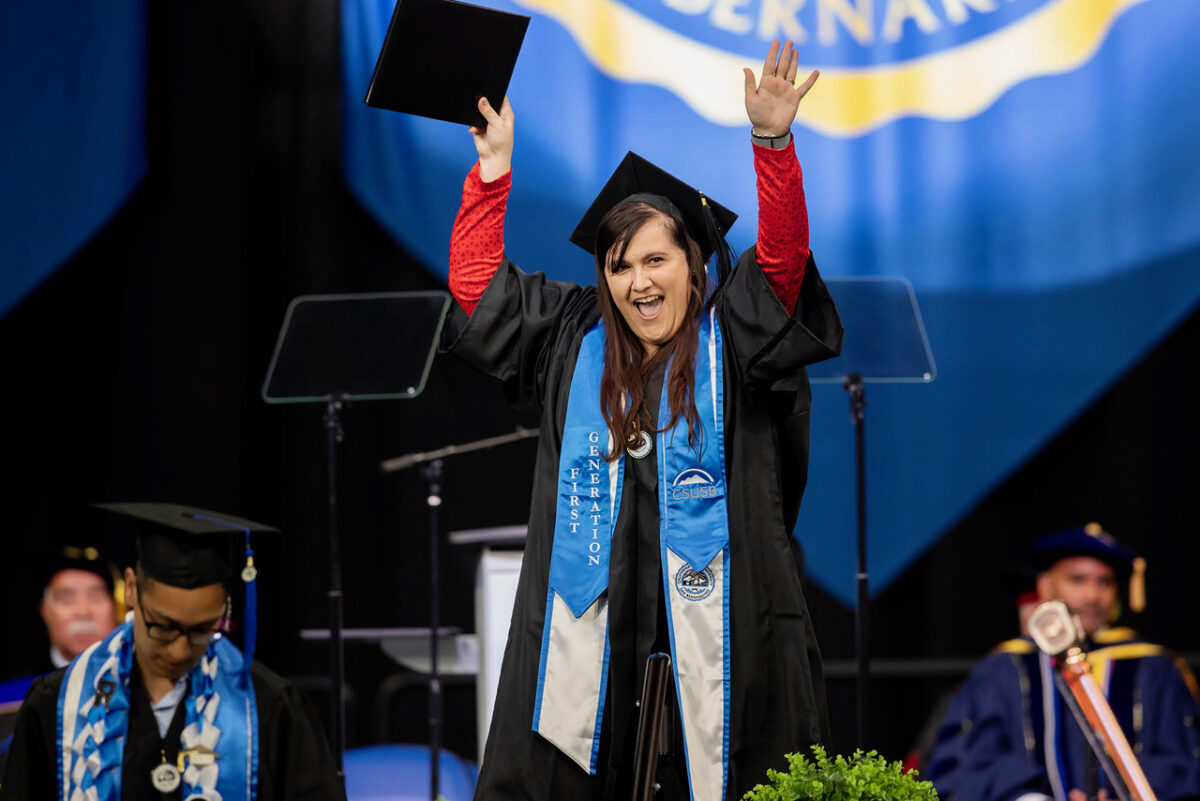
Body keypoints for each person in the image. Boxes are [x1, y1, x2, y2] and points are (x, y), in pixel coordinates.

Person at [443, 40, 843, 801]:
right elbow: (477, 291)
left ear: (695, 265)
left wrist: (772, 145)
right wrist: (492, 173)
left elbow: (783, 264)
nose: (637, 282)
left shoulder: (734, 338)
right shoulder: (573, 337)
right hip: (593, 632)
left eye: (656, 260)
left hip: (726, 625)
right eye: (619, 265)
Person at [0, 503, 346, 801]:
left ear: (224, 607)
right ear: (132, 589)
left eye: (201, 630)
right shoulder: (60, 703)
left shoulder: (269, 707)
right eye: (163, 627)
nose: (180, 651)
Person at [925, 524, 1200, 801]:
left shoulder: (1154, 667)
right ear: (1045, 585)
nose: (1093, 595)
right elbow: (971, 761)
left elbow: (1182, 759)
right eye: (1077, 580)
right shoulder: (1004, 667)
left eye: (1105, 582)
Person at [36, 545, 120, 674]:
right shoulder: (23, 686)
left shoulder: (141, 682)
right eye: (67, 599)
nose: (83, 612)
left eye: (96, 598)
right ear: (45, 611)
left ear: (116, 609)